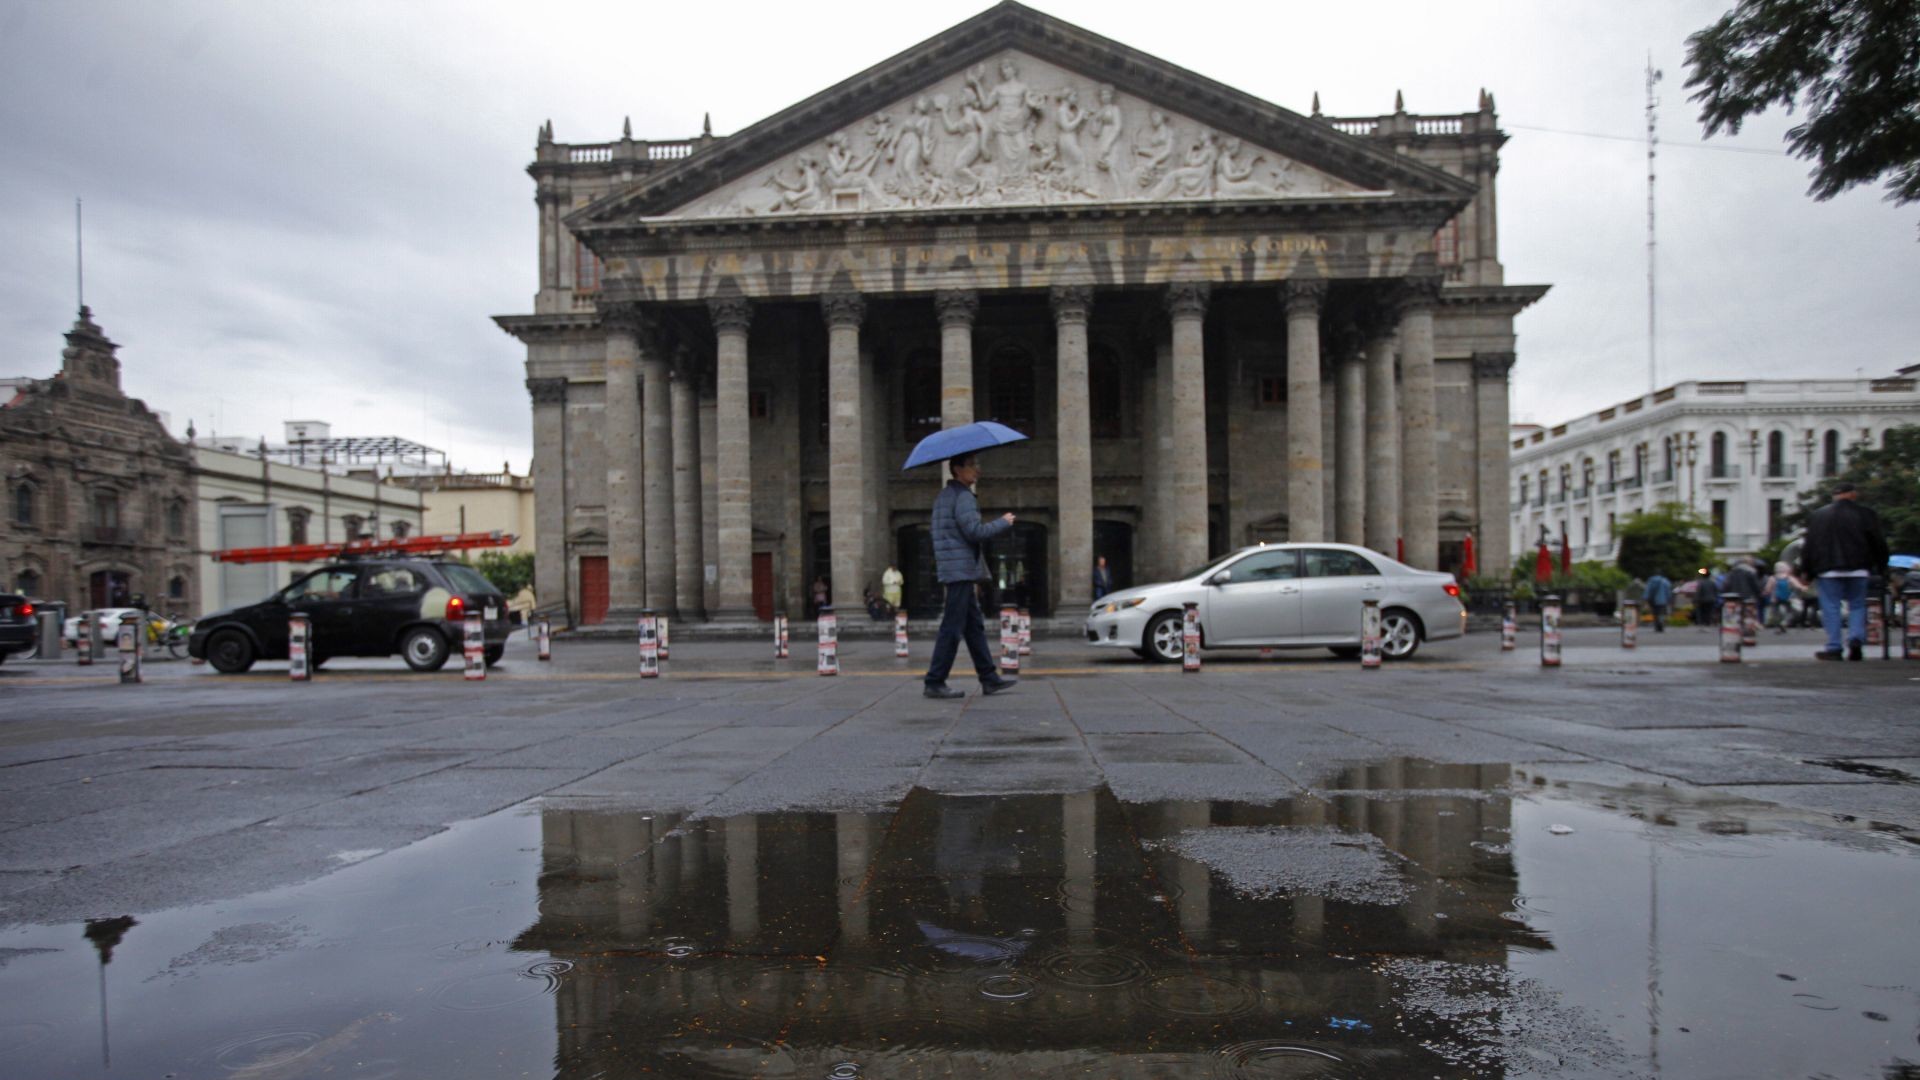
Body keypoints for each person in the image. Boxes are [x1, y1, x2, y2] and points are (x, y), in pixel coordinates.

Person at [924, 452, 1018, 699]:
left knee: (973, 626)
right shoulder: (963, 497)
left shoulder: (944, 496)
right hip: (960, 570)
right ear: (957, 469)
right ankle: (935, 681)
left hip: (955, 568)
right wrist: (1003, 522)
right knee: (952, 628)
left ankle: (989, 678)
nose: (978, 470)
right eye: (972, 465)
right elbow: (974, 532)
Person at [1797, 481, 1890, 661]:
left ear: (1834, 495)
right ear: (1853, 494)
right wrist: (1881, 566)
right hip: (1859, 567)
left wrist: (1806, 571)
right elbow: (1878, 542)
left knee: (1830, 607)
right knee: (1857, 605)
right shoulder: (1866, 514)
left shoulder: (1818, 516)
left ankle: (1834, 646)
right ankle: (1855, 638)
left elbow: (1809, 546)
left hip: (1827, 569)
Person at [1766, 562, 1798, 634]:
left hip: (1775, 597)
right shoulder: (1789, 577)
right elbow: (1797, 585)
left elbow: (1768, 589)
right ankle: (1784, 622)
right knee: (1790, 612)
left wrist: (1766, 592)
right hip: (1787, 597)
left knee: (1775, 613)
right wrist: (1803, 588)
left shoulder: (1773, 578)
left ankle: (1778, 626)